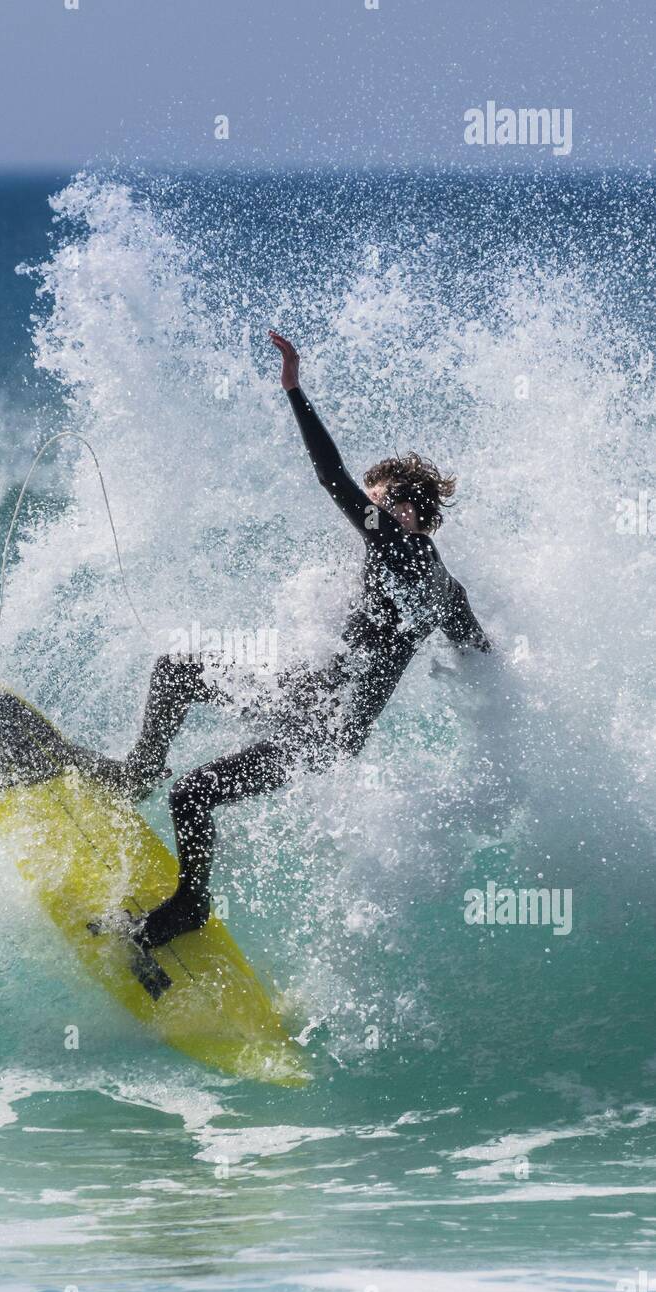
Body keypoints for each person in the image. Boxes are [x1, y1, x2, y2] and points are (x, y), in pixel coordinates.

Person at [95, 330, 491, 951]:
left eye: (379, 501)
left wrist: (295, 391)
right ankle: (136, 774)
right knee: (177, 668)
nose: (368, 509)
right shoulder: (444, 584)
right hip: (303, 699)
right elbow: (482, 658)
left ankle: (188, 907)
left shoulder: (396, 543)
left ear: (404, 510)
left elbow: (330, 474)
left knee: (194, 791)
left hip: (322, 734)